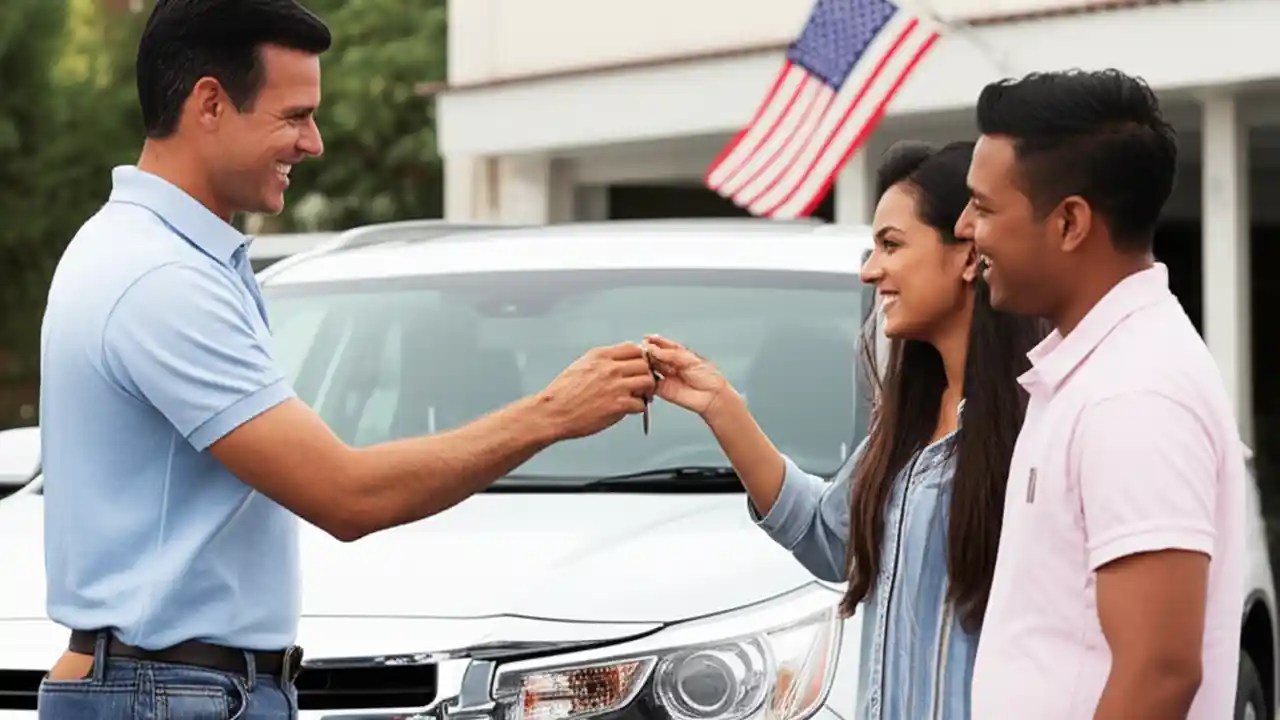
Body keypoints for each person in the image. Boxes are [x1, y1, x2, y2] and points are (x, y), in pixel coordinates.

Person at [36, 1, 655, 717]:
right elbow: (347, 496)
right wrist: (554, 413)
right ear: (210, 103)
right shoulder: (160, 279)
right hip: (171, 695)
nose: (314, 142)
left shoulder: (153, 255)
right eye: (294, 115)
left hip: (173, 687)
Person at [644, 140, 1047, 720]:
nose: (869, 271)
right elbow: (829, 536)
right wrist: (719, 406)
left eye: (891, 245)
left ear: (967, 256)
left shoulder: (1041, 431)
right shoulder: (908, 428)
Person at [956, 68, 1247, 719]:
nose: (966, 227)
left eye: (984, 206)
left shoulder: (1134, 394)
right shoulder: (1098, 370)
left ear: (1069, 223)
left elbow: (1160, 672)